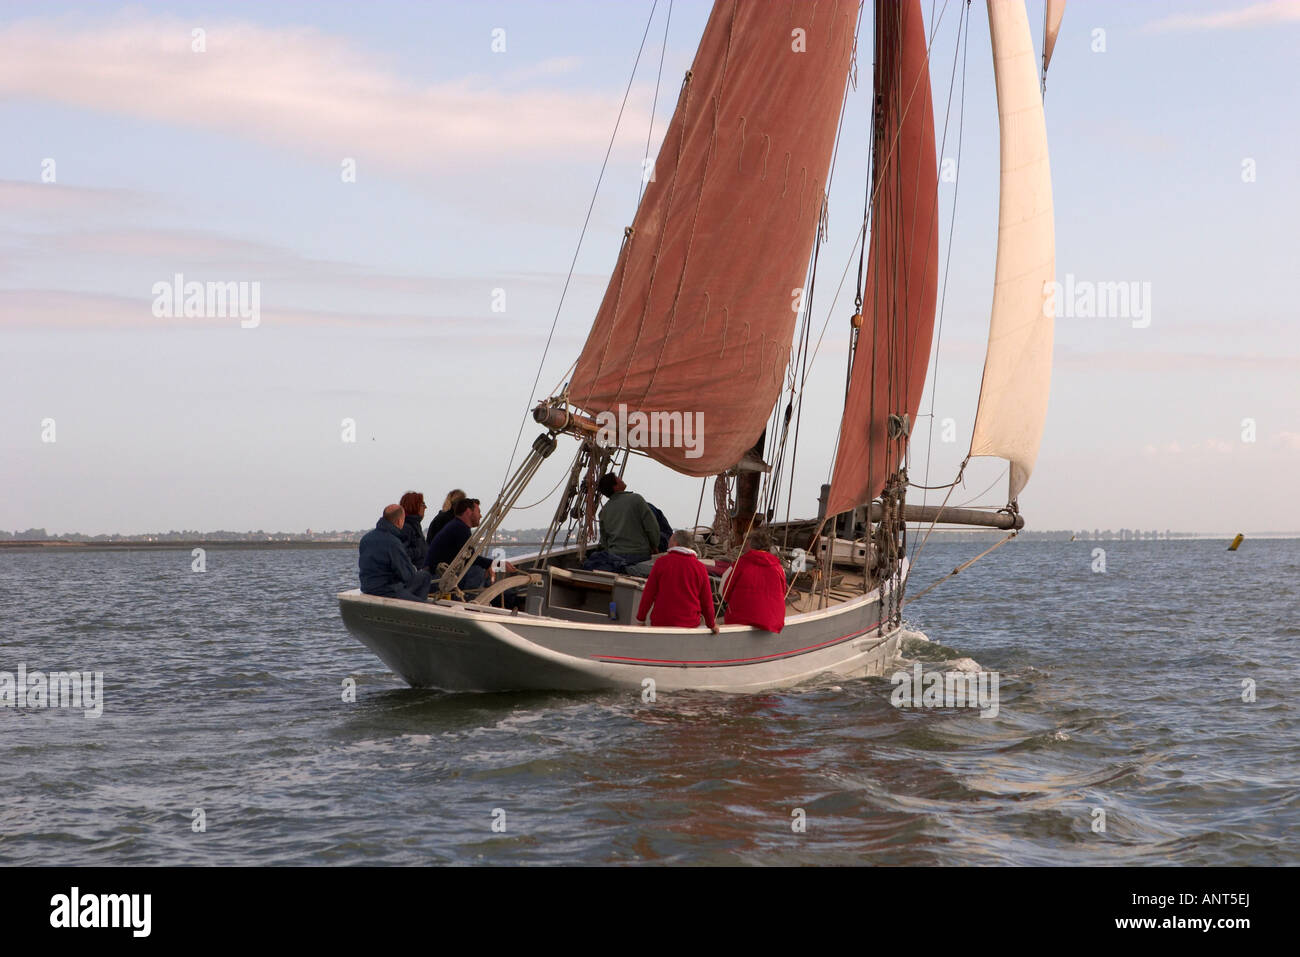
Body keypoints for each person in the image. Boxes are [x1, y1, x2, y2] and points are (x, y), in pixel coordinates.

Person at [426, 497, 517, 591]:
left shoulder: (457, 526)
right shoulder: (459, 529)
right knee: (477, 571)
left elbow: (469, 558)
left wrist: (489, 564)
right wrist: (498, 564)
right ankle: (469, 601)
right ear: (469, 511)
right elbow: (471, 559)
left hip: (437, 576)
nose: (481, 516)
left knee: (480, 571)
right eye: (478, 512)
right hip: (436, 579)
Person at [635, 530, 718, 632]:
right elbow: (707, 601)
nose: (668, 543)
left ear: (675, 543)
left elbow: (648, 594)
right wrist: (711, 624)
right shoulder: (700, 568)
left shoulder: (661, 563)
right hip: (689, 624)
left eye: (670, 540)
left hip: (661, 623)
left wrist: (641, 619)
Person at [583, 473, 661, 573]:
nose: (621, 479)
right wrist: (655, 545)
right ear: (615, 486)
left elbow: (604, 540)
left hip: (615, 556)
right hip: (640, 555)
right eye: (618, 478)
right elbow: (652, 527)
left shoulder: (604, 511)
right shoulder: (637, 499)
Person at [358, 504, 432, 602]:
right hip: (388, 591)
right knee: (425, 577)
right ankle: (418, 606)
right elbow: (408, 576)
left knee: (422, 577)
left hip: (367, 587)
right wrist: (413, 568)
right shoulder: (393, 542)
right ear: (399, 521)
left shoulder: (365, 539)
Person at [720, 527, 787, 632]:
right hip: (772, 622)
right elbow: (783, 593)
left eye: (746, 544)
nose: (744, 548)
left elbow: (724, 592)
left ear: (750, 545)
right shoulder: (778, 567)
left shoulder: (739, 564)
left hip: (740, 620)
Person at [397, 491, 428, 567]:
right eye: (423, 504)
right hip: (413, 575)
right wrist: (419, 552)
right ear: (414, 506)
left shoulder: (414, 525)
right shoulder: (405, 528)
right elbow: (400, 554)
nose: (425, 507)